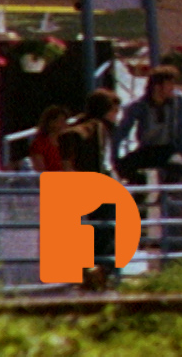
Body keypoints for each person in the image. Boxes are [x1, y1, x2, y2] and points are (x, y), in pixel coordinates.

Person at [61, 89, 123, 288]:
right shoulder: (96, 127)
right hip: (98, 185)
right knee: (104, 230)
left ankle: (91, 271)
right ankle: (100, 272)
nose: (116, 115)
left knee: (94, 230)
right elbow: (69, 137)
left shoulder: (88, 124)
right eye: (114, 110)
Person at [114, 66, 182, 187]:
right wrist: (115, 157)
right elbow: (122, 131)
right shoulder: (139, 106)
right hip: (148, 149)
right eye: (169, 85)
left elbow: (181, 129)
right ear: (157, 87)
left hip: (169, 149)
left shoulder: (178, 102)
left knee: (177, 167)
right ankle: (141, 195)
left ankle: (165, 198)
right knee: (124, 166)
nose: (172, 88)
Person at [28, 104, 70, 172]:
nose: (65, 124)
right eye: (61, 121)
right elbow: (40, 171)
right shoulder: (39, 144)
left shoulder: (69, 143)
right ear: (51, 123)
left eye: (65, 121)